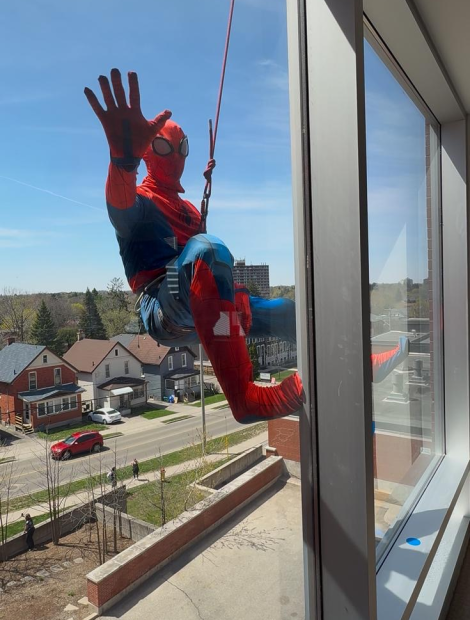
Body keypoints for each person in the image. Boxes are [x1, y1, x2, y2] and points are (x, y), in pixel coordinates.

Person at [84, 69, 409, 422]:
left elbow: (208, 268)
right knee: (208, 248)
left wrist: (233, 294)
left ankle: (355, 366)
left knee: (286, 311)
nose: (175, 156)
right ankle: (245, 399)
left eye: (183, 148)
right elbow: (121, 209)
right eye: (164, 147)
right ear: (148, 151)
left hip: (195, 309)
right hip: (163, 306)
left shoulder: (190, 210)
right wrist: (123, 162)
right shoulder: (142, 201)